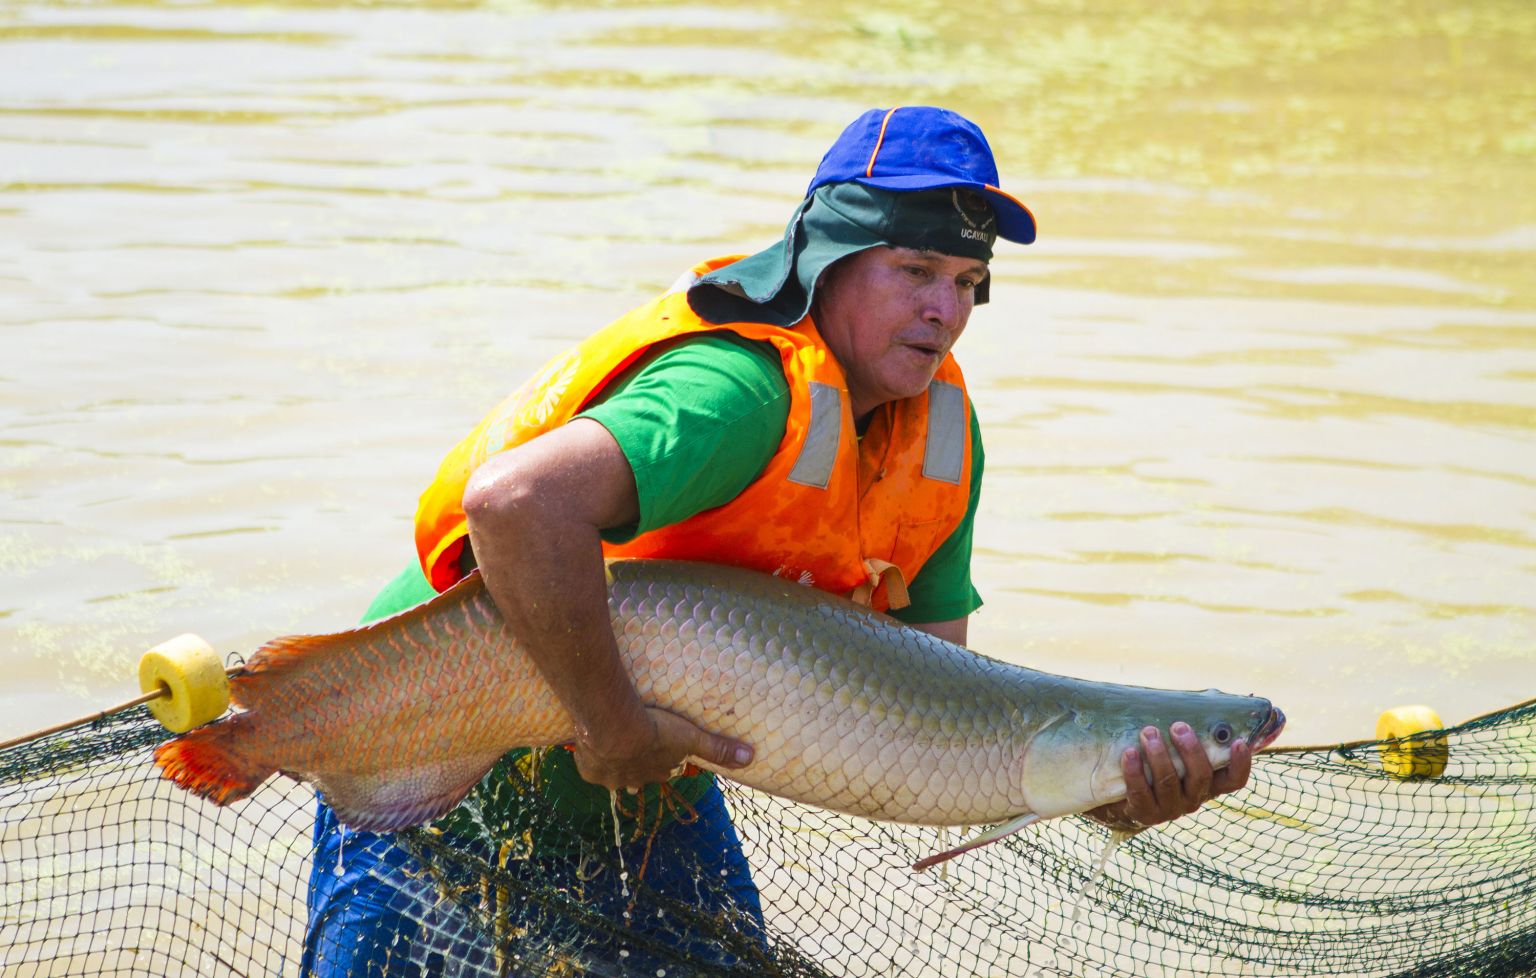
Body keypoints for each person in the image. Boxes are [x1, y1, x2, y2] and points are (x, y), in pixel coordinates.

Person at [302, 106, 1253, 977]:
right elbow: (513, 505)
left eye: (967, 282)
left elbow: (935, 712)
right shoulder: (738, 393)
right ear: (830, 262)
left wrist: (1108, 794)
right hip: (439, 728)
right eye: (914, 271)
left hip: (645, 774)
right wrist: (616, 725)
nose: (945, 310)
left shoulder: (942, 439)